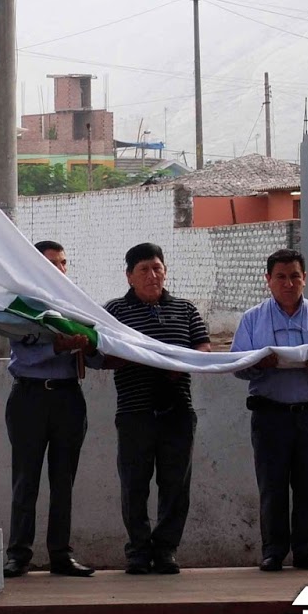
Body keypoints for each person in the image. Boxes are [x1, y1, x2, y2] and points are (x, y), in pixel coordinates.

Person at [231, 248, 308, 572]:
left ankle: (307, 550)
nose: (288, 283)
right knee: (272, 485)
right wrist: (259, 363)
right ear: (268, 280)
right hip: (269, 414)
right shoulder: (253, 318)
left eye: (295, 276)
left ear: (305, 279)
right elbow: (237, 364)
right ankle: (273, 551)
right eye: (280, 277)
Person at [99, 242, 211, 575]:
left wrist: (181, 362)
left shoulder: (186, 309)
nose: (153, 275)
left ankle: (165, 550)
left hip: (177, 409)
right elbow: (103, 355)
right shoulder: (115, 312)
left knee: (175, 485)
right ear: (129, 276)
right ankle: (137, 551)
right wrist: (140, 356)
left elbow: (203, 348)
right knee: (134, 484)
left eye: (157, 268)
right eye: (144, 270)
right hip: (136, 411)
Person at [4, 241, 95, 579]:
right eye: (52, 263)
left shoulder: (76, 302)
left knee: (63, 480)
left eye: (63, 262)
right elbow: (22, 348)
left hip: (68, 397)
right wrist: (57, 347)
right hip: (30, 397)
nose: (60, 269)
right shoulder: (21, 306)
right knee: (26, 479)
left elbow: (96, 343)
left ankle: (61, 553)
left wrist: (90, 345)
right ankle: (19, 554)